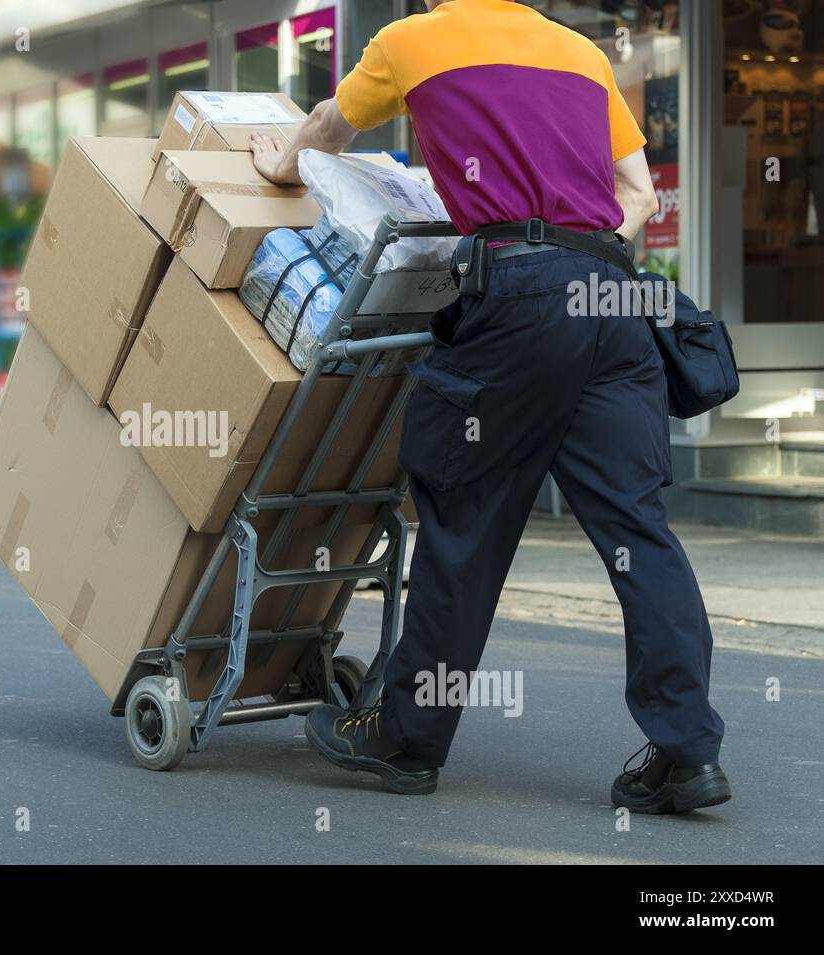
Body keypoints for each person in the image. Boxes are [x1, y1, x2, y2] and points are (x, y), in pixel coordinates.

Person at [252, 0, 728, 814]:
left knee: (464, 519)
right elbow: (638, 195)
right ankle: (686, 751)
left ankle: (405, 737)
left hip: (517, 297)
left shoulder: (411, 41)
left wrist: (279, 161)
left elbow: (330, 129)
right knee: (638, 533)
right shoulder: (579, 53)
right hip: (612, 299)